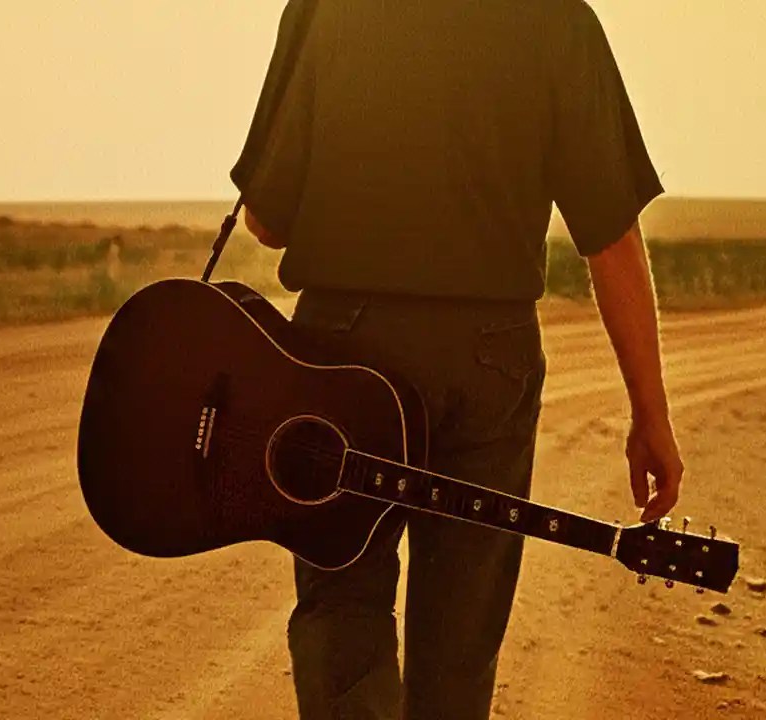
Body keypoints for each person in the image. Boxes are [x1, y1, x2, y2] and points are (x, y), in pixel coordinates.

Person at [231, 2, 683, 718]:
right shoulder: (556, 19)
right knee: (461, 639)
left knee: (342, 604)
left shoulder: (326, 8)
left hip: (340, 354)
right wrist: (649, 411)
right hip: (487, 358)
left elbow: (265, 220)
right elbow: (610, 236)